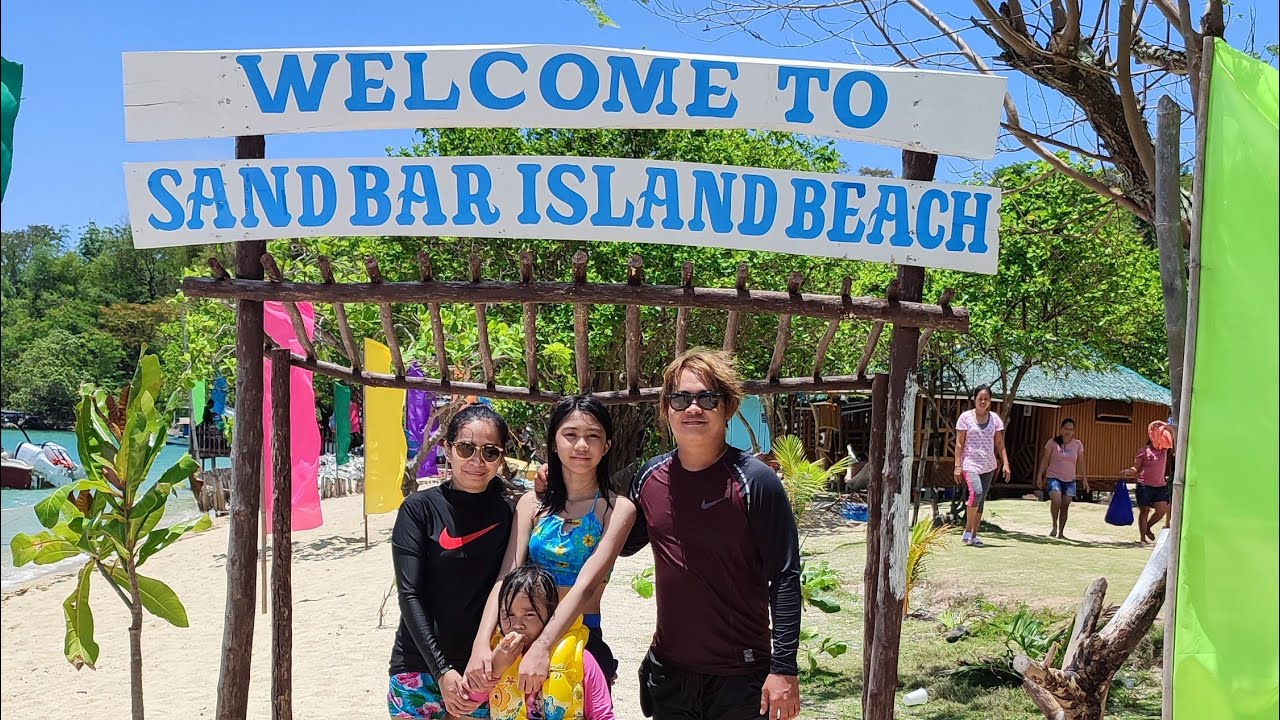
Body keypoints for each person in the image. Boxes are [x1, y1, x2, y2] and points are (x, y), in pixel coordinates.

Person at [623, 348, 802, 720]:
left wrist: (783, 667)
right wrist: (558, 488)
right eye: (681, 398)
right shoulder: (650, 478)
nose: (693, 408)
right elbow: (621, 544)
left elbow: (784, 577)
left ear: (728, 407)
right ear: (666, 408)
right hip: (671, 674)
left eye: (707, 397)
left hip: (741, 676)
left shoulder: (756, 481)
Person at [467, 396, 636, 698]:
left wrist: (543, 647)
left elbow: (585, 585)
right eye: (570, 435)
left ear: (607, 445)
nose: (581, 445)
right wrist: (481, 643)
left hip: (580, 635)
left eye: (592, 436)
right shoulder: (531, 504)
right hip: (520, 634)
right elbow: (507, 575)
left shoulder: (617, 510)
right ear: (554, 443)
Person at [388, 404, 515, 720]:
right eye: (466, 448)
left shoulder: (511, 513)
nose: (477, 461)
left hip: (483, 669)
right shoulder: (419, 510)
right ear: (447, 447)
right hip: (419, 670)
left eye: (490, 452)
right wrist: (441, 669)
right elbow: (410, 595)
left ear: (501, 457)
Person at [480, 563, 617, 720]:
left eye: (529, 614)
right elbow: (472, 700)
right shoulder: (493, 655)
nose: (517, 625)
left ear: (551, 615)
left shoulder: (582, 660)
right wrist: (495, 670)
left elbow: (603, 714)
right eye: (508, 615)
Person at [953, 385, 1011, 548]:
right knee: (976, 492)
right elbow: (959, 443)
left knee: (981, 499)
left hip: (988, 465)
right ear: (975, 399)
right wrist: (957, 466)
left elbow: (999, 443)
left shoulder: (995, 419)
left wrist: (1005, 462)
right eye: (980, 398)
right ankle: (968, 530)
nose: (983, 401)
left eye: (986, 399)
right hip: (970, 463)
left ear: (990, 401)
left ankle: (974, 535)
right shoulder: (965, 418)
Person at [1121, 421, 1172, 544]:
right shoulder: (1143, 451)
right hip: (1144, 486)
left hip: (1160, 486)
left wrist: (1163, 425)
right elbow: (1136, 467)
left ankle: (1148, 527)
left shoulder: (1164, 450)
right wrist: (1129, 471)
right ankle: (1142, 538)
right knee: (1144, 511)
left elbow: (1173, 433)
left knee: (1161, 510)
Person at [1035, 418, 1086, 539]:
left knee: (1065, 505)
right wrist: (1039, 475)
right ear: (1061, 429)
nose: (1068, 431)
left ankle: (1061, 532)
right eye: (1066, 428)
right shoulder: (1052, 442)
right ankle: (1054, 526)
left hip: (1070, 479)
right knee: (1056, 500)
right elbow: (1045, 459)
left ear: (1074, 431)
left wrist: (1084, 478)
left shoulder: (1077, 444)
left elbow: (1081, 462)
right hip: (1054, 477)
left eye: (1071, 429)